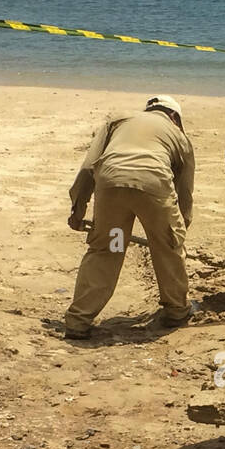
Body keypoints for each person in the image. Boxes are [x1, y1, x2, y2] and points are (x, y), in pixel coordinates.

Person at [64, 95, 195, 339]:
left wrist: (77, 208)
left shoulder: (118, 120)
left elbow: (88, 167)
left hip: (112, 184)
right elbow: (184, 193)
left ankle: (78, 320)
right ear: (175, 117)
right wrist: (177, 233)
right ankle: (177, 311)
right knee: (166, 249)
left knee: (108, 248)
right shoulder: (179, 137)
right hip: (154, 185)